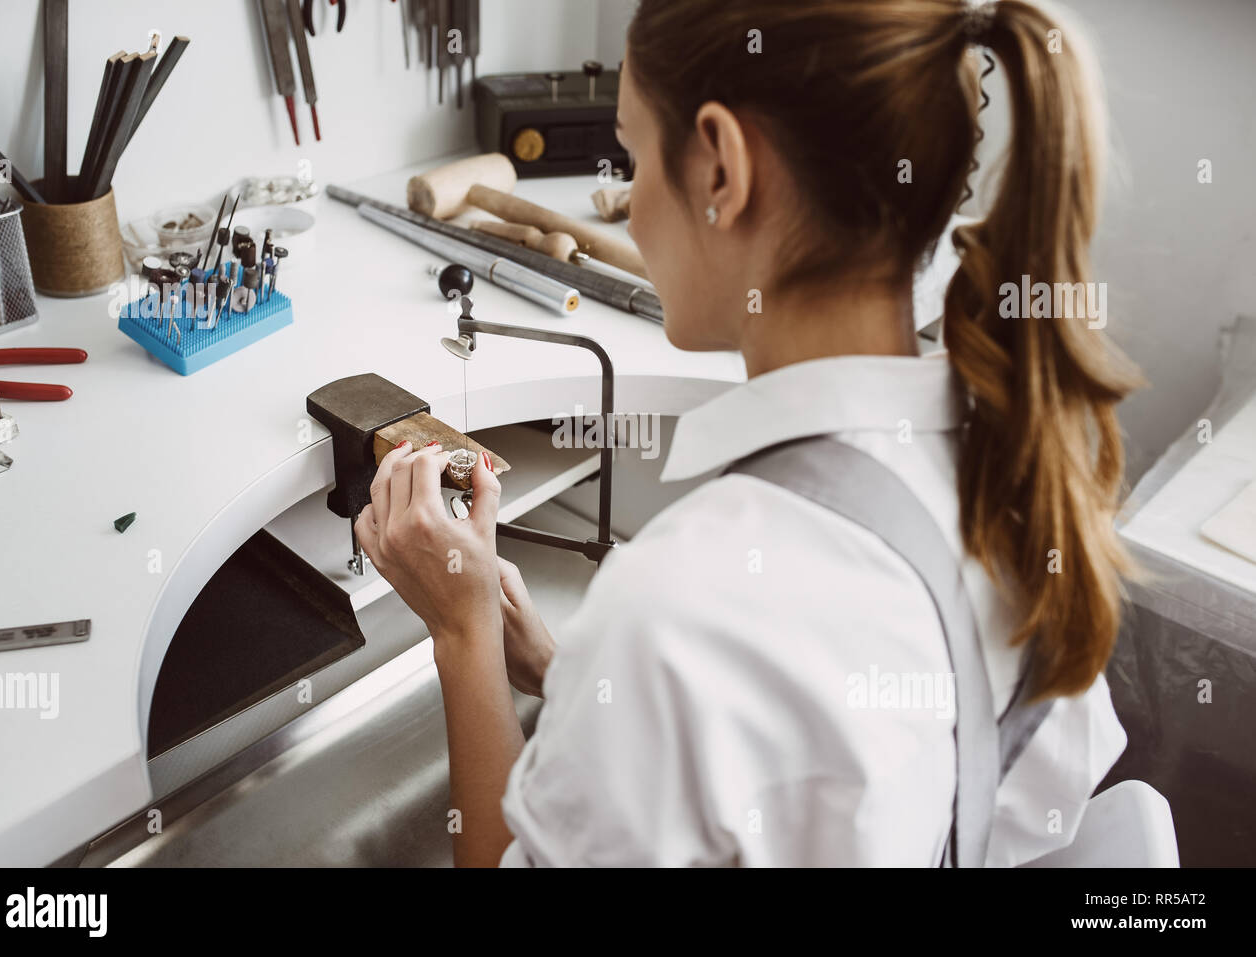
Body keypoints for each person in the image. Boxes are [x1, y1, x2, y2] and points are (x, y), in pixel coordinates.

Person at [353, 0, 1143, 867]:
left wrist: (463, 636)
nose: (631, 204)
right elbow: (1018, 818)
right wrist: (572, 674)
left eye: (634, 154)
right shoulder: (1018, 466)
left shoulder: (682, 607)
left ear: (722, 168)